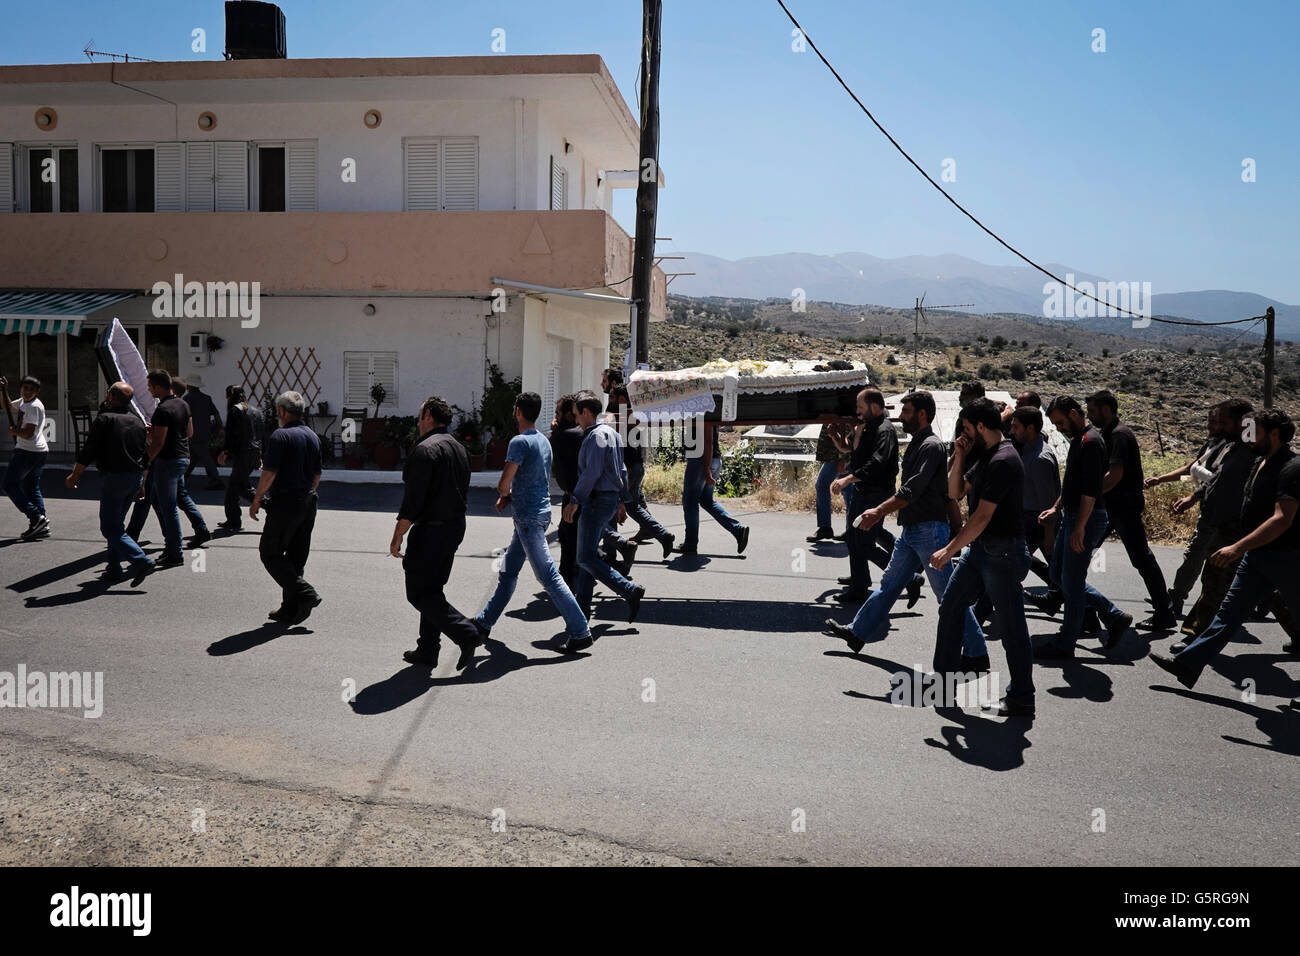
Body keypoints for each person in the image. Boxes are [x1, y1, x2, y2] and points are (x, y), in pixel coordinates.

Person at [822, 390, 986, 661]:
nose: (900, 416)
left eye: (907, 411)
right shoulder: (920, 443)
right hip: (913, 530)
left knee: (948, 597)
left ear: (922, 414)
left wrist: (878, 510)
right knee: (889, 585)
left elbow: (911, 489)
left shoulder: (930, 445)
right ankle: (857, 632)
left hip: (929, 532)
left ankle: (977, 652)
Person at [1151, 408, 1300, 688]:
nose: (1248, 437)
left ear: (1275, 434)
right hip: (1256, 556)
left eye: (1253, 431)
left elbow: (1282, 519)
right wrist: (1196, 496)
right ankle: (1187, 665)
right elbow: (1211, 478)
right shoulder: (1259, 461)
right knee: (1228, 615)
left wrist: (1236, 547)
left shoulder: (1292, 468)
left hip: (1288, 558)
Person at [930, 398, 1035, 717]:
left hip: (1002, 552)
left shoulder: (1004, 459)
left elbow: (982, 516)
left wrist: (950, 549)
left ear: (979, 426)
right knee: (951, 607)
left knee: (1012, 625)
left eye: (965, 428)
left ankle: (1021, 697)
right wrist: (959, 455)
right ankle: (944, 687)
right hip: (981, 549)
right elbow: (954, 492)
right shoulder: (985, 454)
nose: (962, 433)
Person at [473, 392, 592, 646]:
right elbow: (532, 479)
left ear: (518, 411)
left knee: (548, 576)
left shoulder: (519, 442)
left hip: (528, 519)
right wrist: (511, 496)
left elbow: (504, 483)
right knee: (508, 572)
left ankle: (581, 631)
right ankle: (484, 622)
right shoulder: (543, 441)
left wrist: (505, 494)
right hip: (537, 513)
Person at [1034, 396, 1132, 659]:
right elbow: (1071, 486)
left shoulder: (1090, 442)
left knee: (1072, 583)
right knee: (1058, 576)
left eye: (1061, 422)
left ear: (1076, 414)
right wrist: (1056, 508)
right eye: (1055, 424)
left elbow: (1090, 491)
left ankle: (1066, 643)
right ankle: (1112, 615)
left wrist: (1079, 527)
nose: (1059, 428)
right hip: (1074, 515)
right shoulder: (1079, 440)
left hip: (1086, 518)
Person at [392, 395, 482, 670]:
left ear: (429, 416)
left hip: (432, 530)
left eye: (420, 416)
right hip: (454, 527)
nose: (418, 422)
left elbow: (413, 501)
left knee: (419, 593)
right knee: (432, 590)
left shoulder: (425, 450)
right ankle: (427, 650)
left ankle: (467, 633)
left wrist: (398, 534)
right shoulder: (458, 447)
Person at [1086, 388, 1174, 630]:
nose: (1089, 415)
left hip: (1122, 505)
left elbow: (1114, 476)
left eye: (1092, 410)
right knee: (1081, 554)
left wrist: (1087, 496)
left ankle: (1164, 612)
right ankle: (1082, 611)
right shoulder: (1109, 433)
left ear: (1106, 409)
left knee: (1141, 558)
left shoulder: (1118, 435)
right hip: (1114, 505)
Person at [1171, 399, 1259, 638]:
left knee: (1217, 584)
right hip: (1220, 524)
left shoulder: (1253, 452)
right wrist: (1195, 496)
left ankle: (1195, 639)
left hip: (1239, 528)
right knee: (1224, 581)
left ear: (1243, 422)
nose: (1218, 426)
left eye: (1224, 422)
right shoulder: (1228, 446)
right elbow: (1213, 479)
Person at [563, 390, 644, 640]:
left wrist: (575, 500)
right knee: (589, 557)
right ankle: (583, 611)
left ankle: (629, 590)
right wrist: (622, 499)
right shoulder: (611, 432)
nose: (576, 419)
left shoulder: (596, 436)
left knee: (584, 557)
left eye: (577, 414)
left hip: (596, 501)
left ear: (586, 413)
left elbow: (592, 472)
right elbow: (620, 470)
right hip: (607, 500)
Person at [829, 388, 920, 607]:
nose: (858, 412)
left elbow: (877, 463)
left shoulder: (884, 430)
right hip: (864, 492)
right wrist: (837, 435)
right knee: (855, 539)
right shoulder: (868, 426)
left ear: (875, 406)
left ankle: (909, 579)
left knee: (865, 544)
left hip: (876, 493)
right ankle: (859, 585)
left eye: (861, 407)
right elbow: (852, 449)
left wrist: (848, 479)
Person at [64, 382, 155, 586]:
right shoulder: (138, 422)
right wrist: (142, 485)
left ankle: (142, 561)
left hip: (115, 479)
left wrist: (74, 475)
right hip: (134, 478)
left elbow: (89, 450)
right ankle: (114, 569)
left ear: (111, 398)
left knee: (109, 528)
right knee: (117, 526)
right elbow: (144, 456)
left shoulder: (104, 419)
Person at [1146, 405, 1226, 619]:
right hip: (1208, 509)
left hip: (1219, 513)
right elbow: (1192, 473)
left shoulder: (1230, 448)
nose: (1210, 426)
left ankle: (1177, 597)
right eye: (1210, 421)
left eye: (1216, 421)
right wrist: (1160, 480)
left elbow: (1215, 481)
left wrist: (1193, 497)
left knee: (1198, 554)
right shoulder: (1212, 445)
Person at [250, 391, 321, 625]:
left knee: (270, 553)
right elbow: (317, 475)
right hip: (308, 500)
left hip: (286, 502)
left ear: (281, 411)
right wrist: (306, 495)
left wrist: (257, 498)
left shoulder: (280, 436)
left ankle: (305, 593)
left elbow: (270, 473)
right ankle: (290, 609)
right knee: (295, 558)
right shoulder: (312, 436)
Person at [143, 370, 210, 567]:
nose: (148, 390)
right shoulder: (183, 403)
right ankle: (201, 529)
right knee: (179, 497)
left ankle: (174, 551)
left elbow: (158, 443)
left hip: (168, 461)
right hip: (182, 458)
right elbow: (189, 432)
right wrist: (157, 431)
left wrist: (145, 461)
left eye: (150, 386)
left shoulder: (162, 410)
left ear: (159, 387)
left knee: (167, 506)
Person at [1009, 406, 1064, 615]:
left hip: (1038, 523)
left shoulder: (1040, 458)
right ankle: (1102, 615)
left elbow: (1048, 504)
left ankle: (1107, 614)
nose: (1012, 431)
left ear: (1030, 428)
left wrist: (1049, 535)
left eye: (1016, 427)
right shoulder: (1029, 450)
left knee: (1010, 568)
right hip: (1030, 520)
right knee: (1061, 576)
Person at [609, 386, 674, 559]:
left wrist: (626, 477)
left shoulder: (625, 419)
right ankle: (660, 534)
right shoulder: (631, 417)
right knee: (634, 506)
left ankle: (662, 534)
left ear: (624, 399)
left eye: (616, 397)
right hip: (636, 467)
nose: (613, 400)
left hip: (631, 468)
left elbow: (627, 451)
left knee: (630, 506)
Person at [679, 417, 750, 555]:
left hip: (701, 461)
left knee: (690, 502)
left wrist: (706, 468)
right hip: (714, 460)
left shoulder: (702, 411)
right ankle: (738, 530)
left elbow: (708, 440)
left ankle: (690, 544)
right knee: (706, 501)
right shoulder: (709, 409)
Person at [2, 375, 50, 540]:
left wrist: (14, 432)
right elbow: (7, 406)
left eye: (31, 389)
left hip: (27, 451)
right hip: (37, 451)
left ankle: (36, 517)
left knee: (9, 484)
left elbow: (28, 434)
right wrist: (4, 390)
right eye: (25, 388)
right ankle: (41, 525)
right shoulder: (24, 402)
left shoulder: (33, 407)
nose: (27, 391)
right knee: (31, 487)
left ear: (37, 392)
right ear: (21, 389)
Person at [549, 394, 584, 590]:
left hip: (575, 495)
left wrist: (555, 431)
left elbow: (550, 444)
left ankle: (566, 578)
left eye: (558, 413)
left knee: (569, 538)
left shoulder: (566, 435)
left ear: (569, 415)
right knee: (568, 534)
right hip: (574, 493)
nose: (556, 417)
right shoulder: (580, 432)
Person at [216, 385, 263, 531]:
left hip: (242, 453)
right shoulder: (255, 410)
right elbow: (261, 435)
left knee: (236, 487)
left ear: (229, 396)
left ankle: (268, 505)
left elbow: (232, 435)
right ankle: (233, 520)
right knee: (237, 486)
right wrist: (259, 455)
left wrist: (225, 452)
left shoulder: (235, 410)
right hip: (253, 452)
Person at [176, 375, 225, 490]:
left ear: (189, 386)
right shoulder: (206, 398)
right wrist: (220, 428)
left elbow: (183, 416)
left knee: (203, 457)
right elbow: (216, 415)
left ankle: (216, 479)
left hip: (192, 433)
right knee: (193, 457)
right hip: (205, 432)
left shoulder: (187, 399)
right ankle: (182, 479)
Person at [808, 422, 848, 542]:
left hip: (839, 455)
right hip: (834, 454)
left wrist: (843, 458)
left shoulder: (840, 406)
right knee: (844, 489)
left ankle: (849, 530)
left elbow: (846, 428)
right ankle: (827, 527)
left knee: (847, 489)